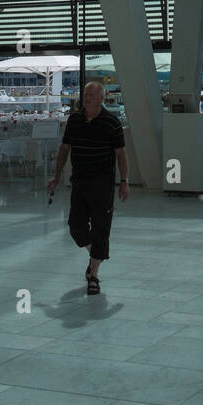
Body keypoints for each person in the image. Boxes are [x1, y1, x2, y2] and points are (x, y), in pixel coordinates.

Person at [47, 80, 128, 296]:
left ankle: (94, 274)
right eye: (85, 94)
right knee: (76, 226)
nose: (86, 98)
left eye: (91, 95)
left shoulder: (112, 122)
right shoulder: (74, 120)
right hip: (80, 181)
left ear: (102, 98)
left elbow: (121, 154)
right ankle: (96, 254)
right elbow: (65, 149)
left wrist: (125, 182)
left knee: (101, 228)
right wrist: (56, 176)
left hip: (103, 183)